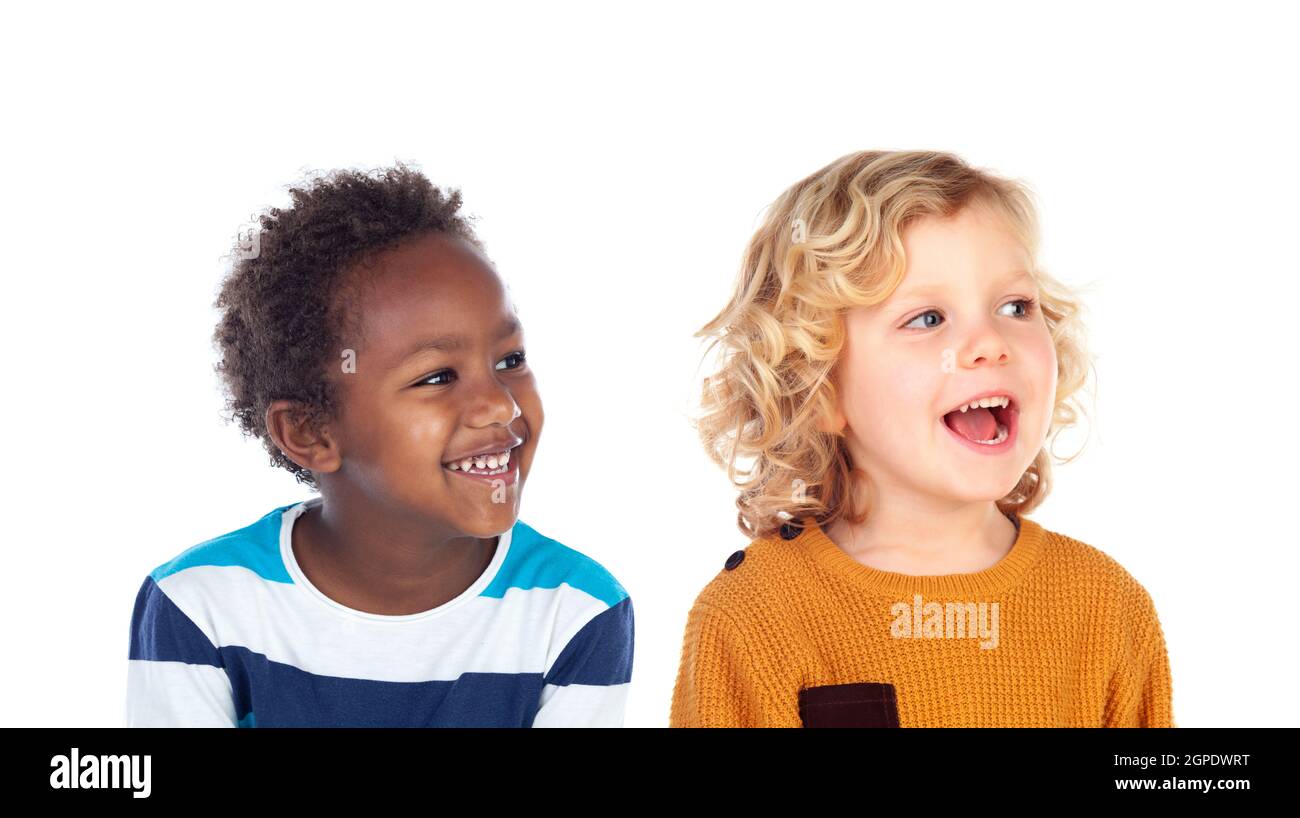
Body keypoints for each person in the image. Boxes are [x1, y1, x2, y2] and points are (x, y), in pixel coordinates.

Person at [670, 150, 1173, 727]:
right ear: (820, 390)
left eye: (1015, 306)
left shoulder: (1104, 606)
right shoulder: (753, 619)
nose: (989, 342)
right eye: (927, 319)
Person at [127, 163, 634, 727]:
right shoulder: (202, 604)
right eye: (437, 376)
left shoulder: (576, 611)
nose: (500, 405)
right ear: (311, 432)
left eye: (509, 362)